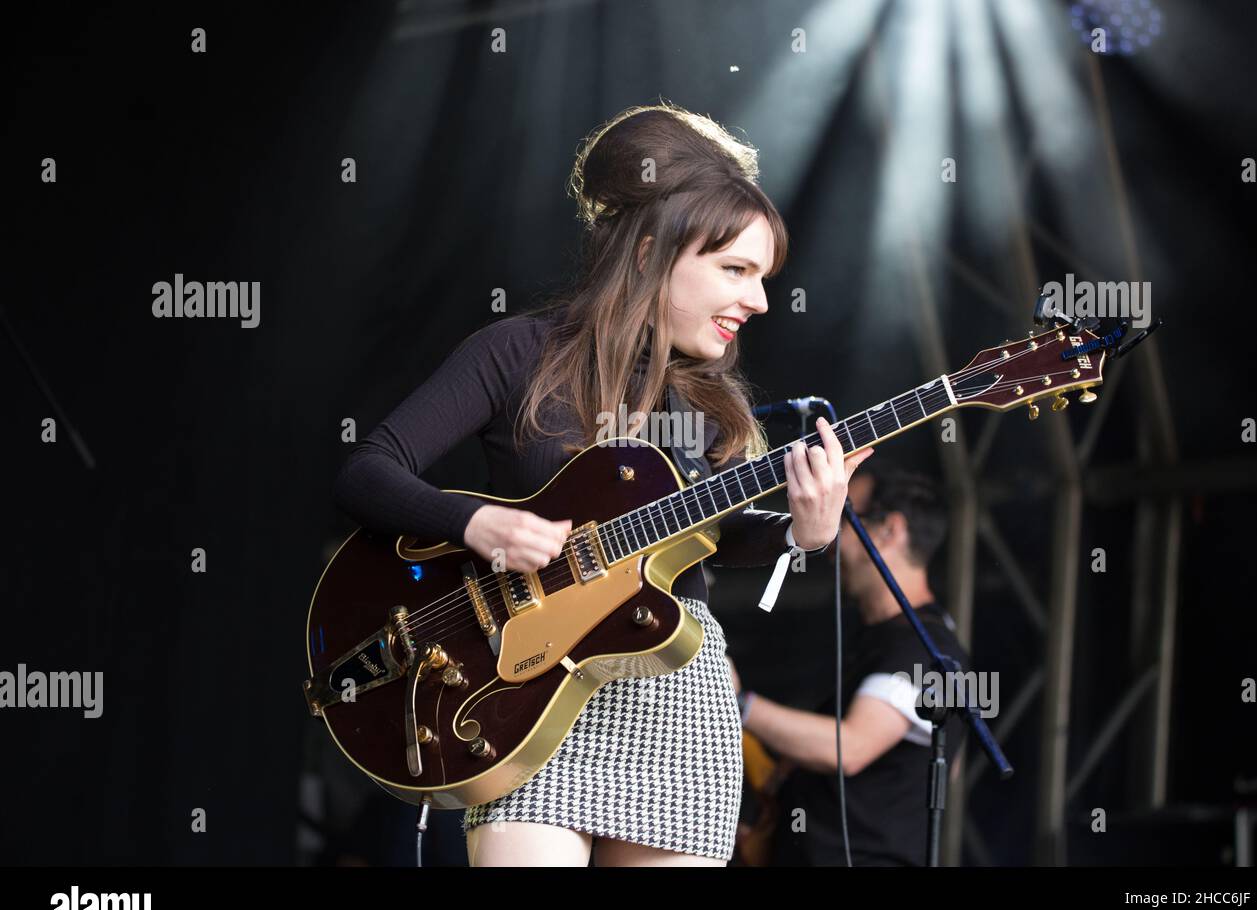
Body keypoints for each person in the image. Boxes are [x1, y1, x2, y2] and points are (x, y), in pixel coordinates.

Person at [331, 102, 870, 866]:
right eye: (736, 270)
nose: (759, 301)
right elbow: (365, 471)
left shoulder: (717, 400)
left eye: (762, 276)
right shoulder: (516, 352)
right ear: (651, 251)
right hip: (522, 695)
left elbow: (718, 540)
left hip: (674, 696)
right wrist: (476, 522)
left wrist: (803, 534)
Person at [732, 467, 969, 866]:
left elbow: (851, 748)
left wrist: (738, 702)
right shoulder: (889, 639)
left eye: (842, 515)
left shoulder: (925, 649)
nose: (828, 539)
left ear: (889, 530)